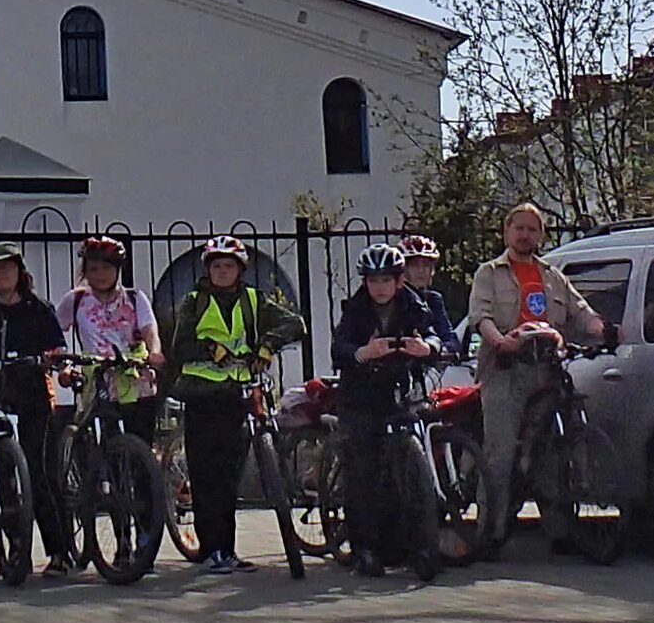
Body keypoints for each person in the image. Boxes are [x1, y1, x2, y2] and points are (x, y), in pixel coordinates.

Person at [464, 203, 607, 555]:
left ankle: (561, 532)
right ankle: (490, 533)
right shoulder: (489, 273)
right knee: (500, 452)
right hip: (505, 371)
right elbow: (479, 317)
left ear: (541, 235)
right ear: (507, 232)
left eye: (533, 229)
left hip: (546, 371)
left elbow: (580, 311)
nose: (525, 234)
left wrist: (602, 328)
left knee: (553, 449)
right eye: (520, 228)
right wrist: (500, 341)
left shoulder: (551, 275)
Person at [160, 237, 306, 572]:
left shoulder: (254, 300)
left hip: (238, 396)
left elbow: (295, 324)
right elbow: (179, 346)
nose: (222, 271)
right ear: (208, 270)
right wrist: (209, 349)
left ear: (240, 270)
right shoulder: (193, 302)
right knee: (206, 474)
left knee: (229, 477)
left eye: (229, 266)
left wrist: (268, 344)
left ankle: (228, 549)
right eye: (216, 266)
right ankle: (211, 550)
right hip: (201, 397)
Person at [330, 241, 442, 575]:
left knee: (406, 471)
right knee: (363, 468)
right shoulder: (355, 309)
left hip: (400, 390)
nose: (380, 288)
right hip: (362, 396)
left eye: (386, 280)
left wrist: (426, 347)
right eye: (373, 280)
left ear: (398, 281)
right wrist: (363, 353)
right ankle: (364, 548)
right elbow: (340, 348)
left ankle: (416, 546)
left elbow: (435, 334)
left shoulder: (414, 304)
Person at [0, 241, 75, 571]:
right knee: (0, 474)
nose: (3, 274)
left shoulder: (38, 309)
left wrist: (57, 362)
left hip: (30, 396)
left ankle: (58, 550)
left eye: (8, 267)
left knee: (39, 473)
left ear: (20, 272)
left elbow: (57, 348)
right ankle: (13, 548)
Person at [57, 233, 164, 445]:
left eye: (106, 268)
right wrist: (64, 364)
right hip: (97, 380)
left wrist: (154, 352)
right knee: (99, 441)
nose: (100, 274)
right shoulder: (76, 300)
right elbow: (54, 335)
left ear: (117, 270)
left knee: (140, 442)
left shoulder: (134, 298)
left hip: (135, 379)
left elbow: (150, 330)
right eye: (94, 269)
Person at [399, 236, 468, 363]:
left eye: (426, 265)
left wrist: (434, 349)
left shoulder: (433, 299)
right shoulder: (394, 299)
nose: (421, 271)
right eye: (414, 265)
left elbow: (449, 338)